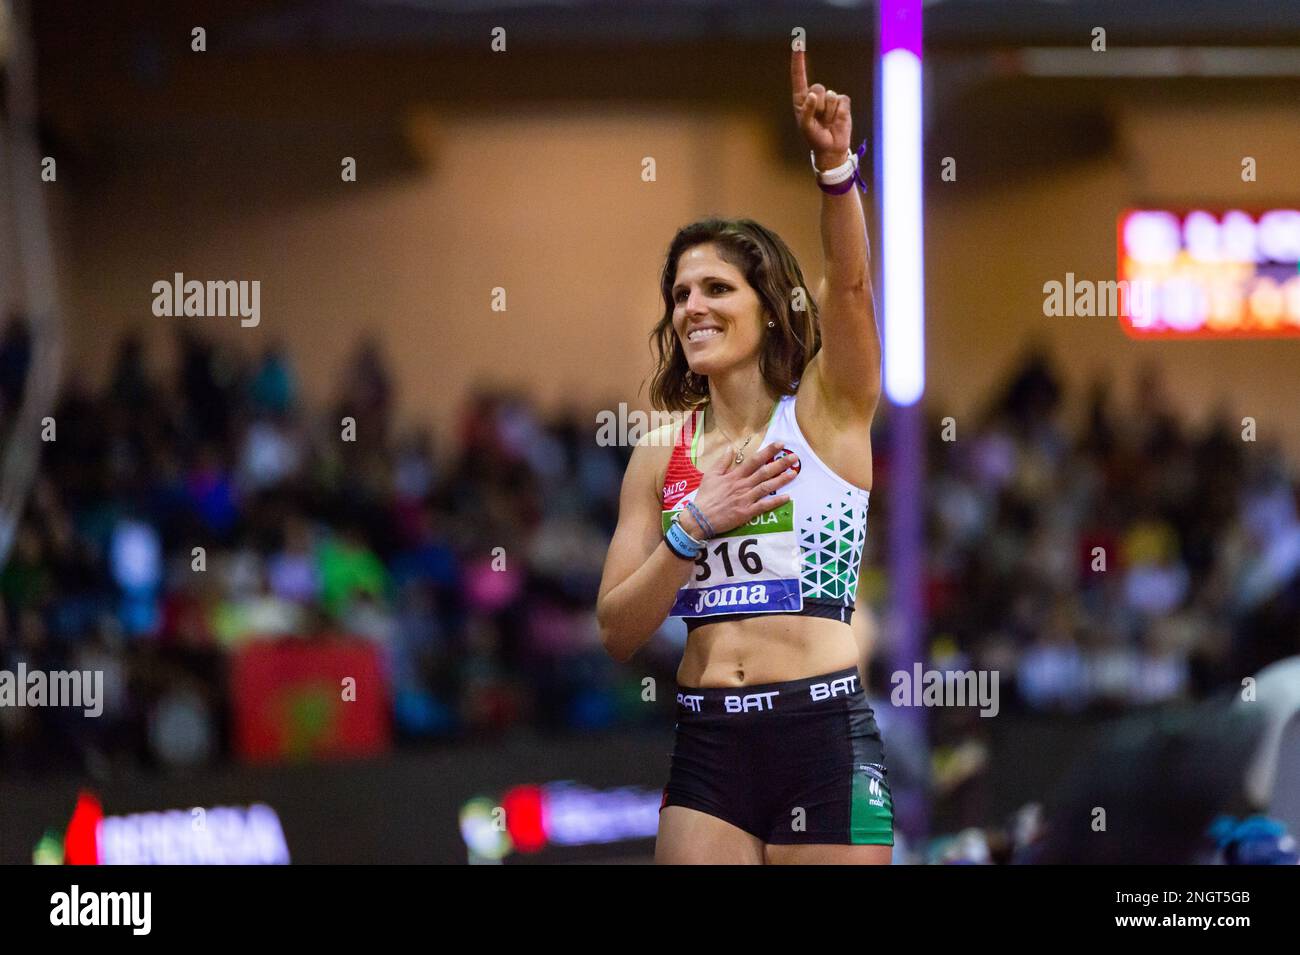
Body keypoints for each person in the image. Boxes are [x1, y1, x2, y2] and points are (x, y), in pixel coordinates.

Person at [596, 47, 890, 864]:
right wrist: (691, 529)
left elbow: (853, 287)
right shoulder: (659, 454)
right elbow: (618, 630)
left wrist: (835, 168)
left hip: (827, 740)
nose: (692, 306)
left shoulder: (829, 413)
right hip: (709, 749)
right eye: (681, 294)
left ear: (771, 307)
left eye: (716, 288)